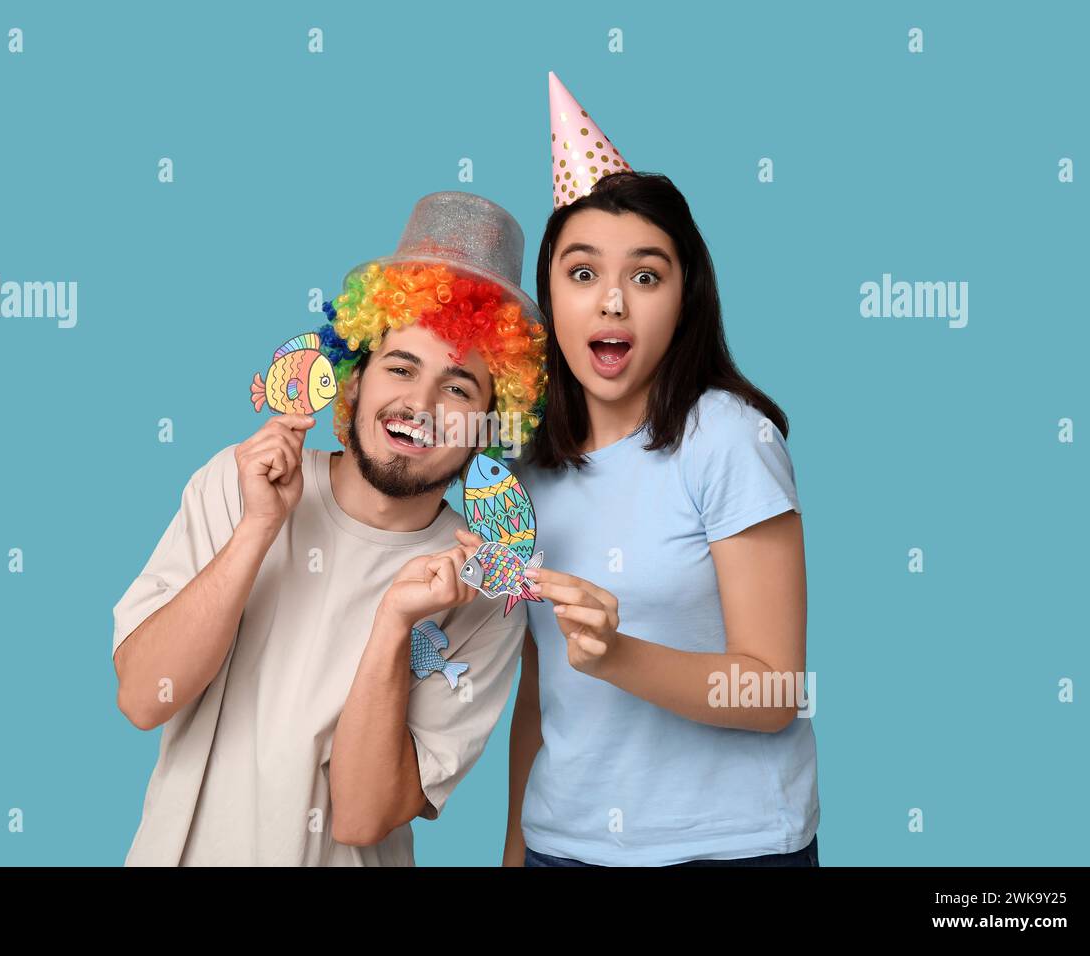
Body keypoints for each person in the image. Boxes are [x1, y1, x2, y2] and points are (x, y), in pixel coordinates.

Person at [112, 190, 547, 865]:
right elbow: (143, 698)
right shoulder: (237, 484)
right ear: (357, 380)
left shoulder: (483, 588)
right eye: (400, 367)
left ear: (494, 422)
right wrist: (257, 531)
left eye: (459, 388)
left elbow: (365, 816)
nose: (420, 404)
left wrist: (395, 624)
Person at [497, 73, 819, 867]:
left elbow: (774, 691)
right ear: (549, 297)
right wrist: (514, 849)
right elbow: (538, 692)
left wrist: (618, 656)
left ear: (685, 298)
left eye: (645, 275)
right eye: (582, 273)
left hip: (730, 849)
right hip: (563, 848)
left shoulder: (729, 442)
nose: (613, 302)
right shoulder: (521, 472)